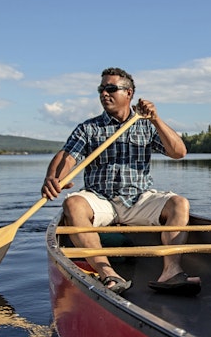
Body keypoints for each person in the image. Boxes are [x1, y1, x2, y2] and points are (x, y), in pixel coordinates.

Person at [42, 67, 201, 295]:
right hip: (101, 200)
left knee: (179, 203)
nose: (104, 94)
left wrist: (156, 119)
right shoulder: (89, 128)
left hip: (139, 199)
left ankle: (171, 272)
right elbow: (66, 157)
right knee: (73, 204)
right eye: (101, 89)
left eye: (110, 88)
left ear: (129, 93)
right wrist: (54, 177)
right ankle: (108, 273)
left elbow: (179, 152)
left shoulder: (146, 125)